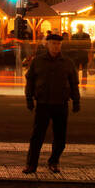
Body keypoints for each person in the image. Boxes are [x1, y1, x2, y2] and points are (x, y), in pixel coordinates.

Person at [24, 32, 80, 174]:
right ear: (47, 44)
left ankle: (54, 162)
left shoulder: (67, 62)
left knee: (60, 138)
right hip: (43, 104)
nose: (56, 46)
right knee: (37, 136)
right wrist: (29, 98)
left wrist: (76, 100)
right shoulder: (38, 61)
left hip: (61, 104)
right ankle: (31, 164)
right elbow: (30, 80)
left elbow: (74, 83)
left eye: (58, 44)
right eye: (53, 44)